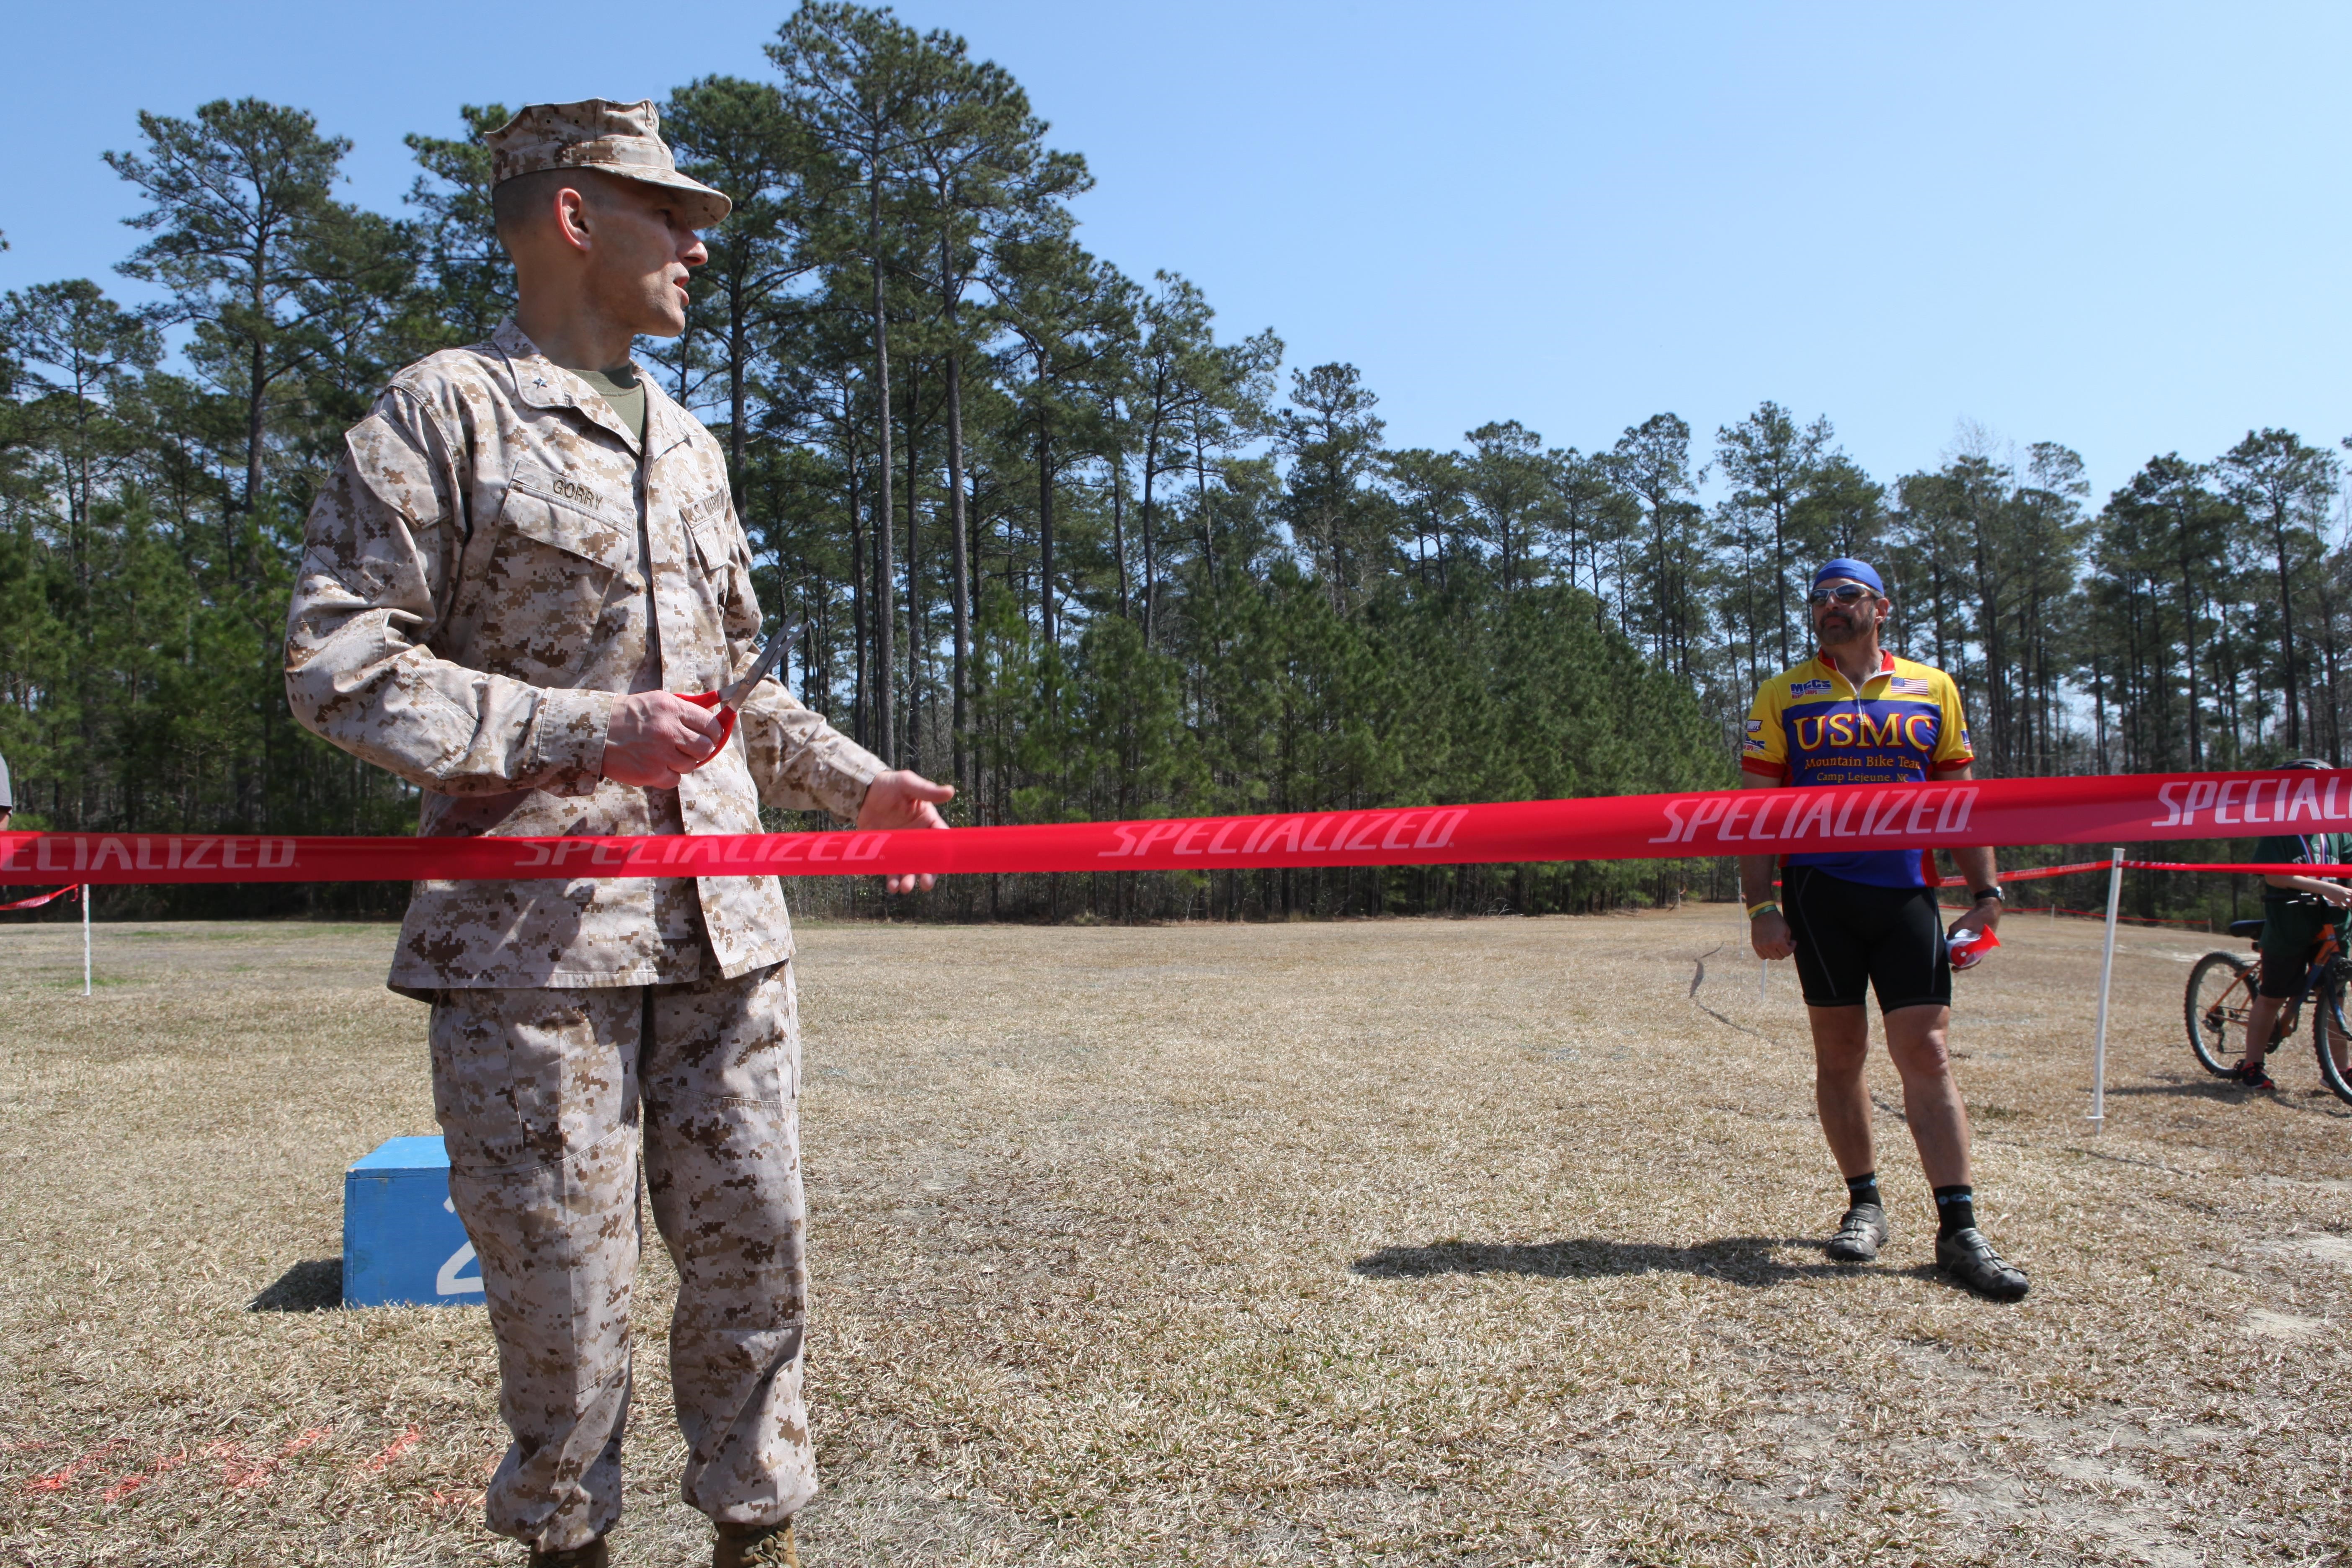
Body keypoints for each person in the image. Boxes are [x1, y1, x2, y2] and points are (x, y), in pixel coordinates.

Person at [285, 100, 951, 1568]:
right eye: (672, 215)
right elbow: (340, 667)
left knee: (757, 1268)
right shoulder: (443, 413)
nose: (700, 246)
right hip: (533, 954)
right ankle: (568, 1545)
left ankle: (757, 1537)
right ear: (577, 217)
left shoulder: (692, 446)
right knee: (562, 1306)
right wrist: (585, 730)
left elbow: (737, 689)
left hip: (726, 934)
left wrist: (856, 783)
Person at [1738, 559, 2027, 1301]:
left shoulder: (1933, 687)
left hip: (1906, 893)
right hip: (1819, 895)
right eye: (1819, 599)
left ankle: (1959, 1228)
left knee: (1927, 1051)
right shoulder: (1783, 693)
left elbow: (1961, 800)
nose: (1829, 607)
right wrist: (1761, 906)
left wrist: (1986, 893)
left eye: (1847, 595)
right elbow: (1753, 810)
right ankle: (1864, 1204)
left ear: (1882, 607)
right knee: (1841, 1054)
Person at [2232, 758, 2352, 1090]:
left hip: (2332, 923)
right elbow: (2274, 875)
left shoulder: (2339, 828)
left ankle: (2339, 1071)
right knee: (2273, 996)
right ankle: (2252, 1065)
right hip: (2290, 922)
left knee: (2334, 996)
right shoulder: (2280, 829)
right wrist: (2325, 887)